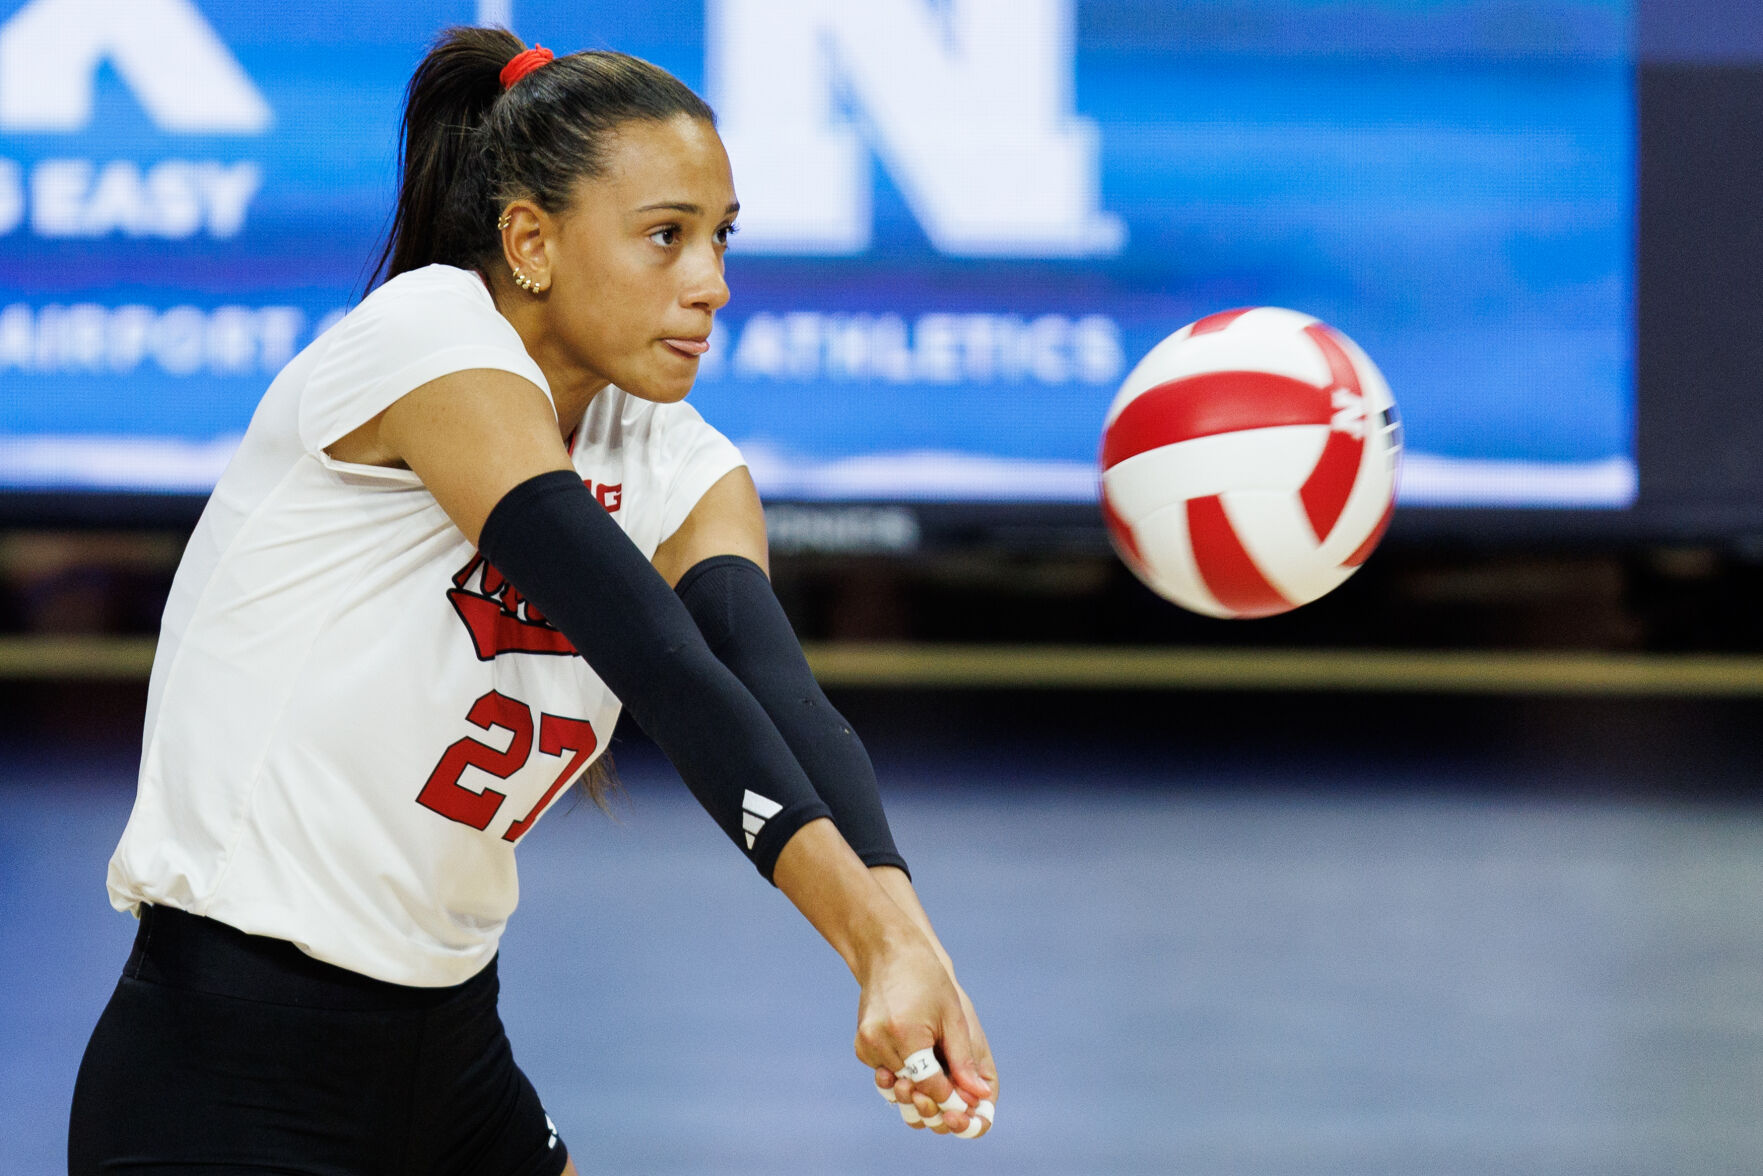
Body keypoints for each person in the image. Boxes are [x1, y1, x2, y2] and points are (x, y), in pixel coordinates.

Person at [68, 28, 997, 1176]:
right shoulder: (423, 343)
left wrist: (906, 942)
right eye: (664, 237)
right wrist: (863, 940)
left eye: (719, 239)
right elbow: (653, 655)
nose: (709, 283)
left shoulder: (684, 465)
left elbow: (776, 700)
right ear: (530, 241)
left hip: (452, 1053)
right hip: (230, 1065)